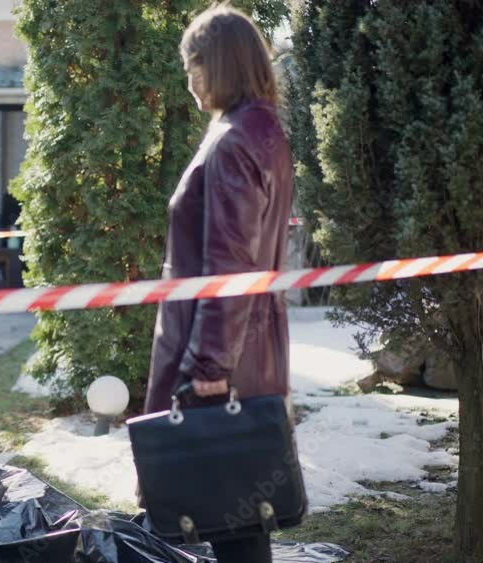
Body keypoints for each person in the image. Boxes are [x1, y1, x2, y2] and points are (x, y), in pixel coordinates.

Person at [142, 6, 293, 563]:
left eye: (193, 67)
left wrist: (208, 367)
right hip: (250, 348)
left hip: (220, 356)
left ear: (221, 64)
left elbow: (230, 263)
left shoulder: (232, 140)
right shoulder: (261, 129)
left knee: (231, 521)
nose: (188, 81)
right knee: (239, 517)